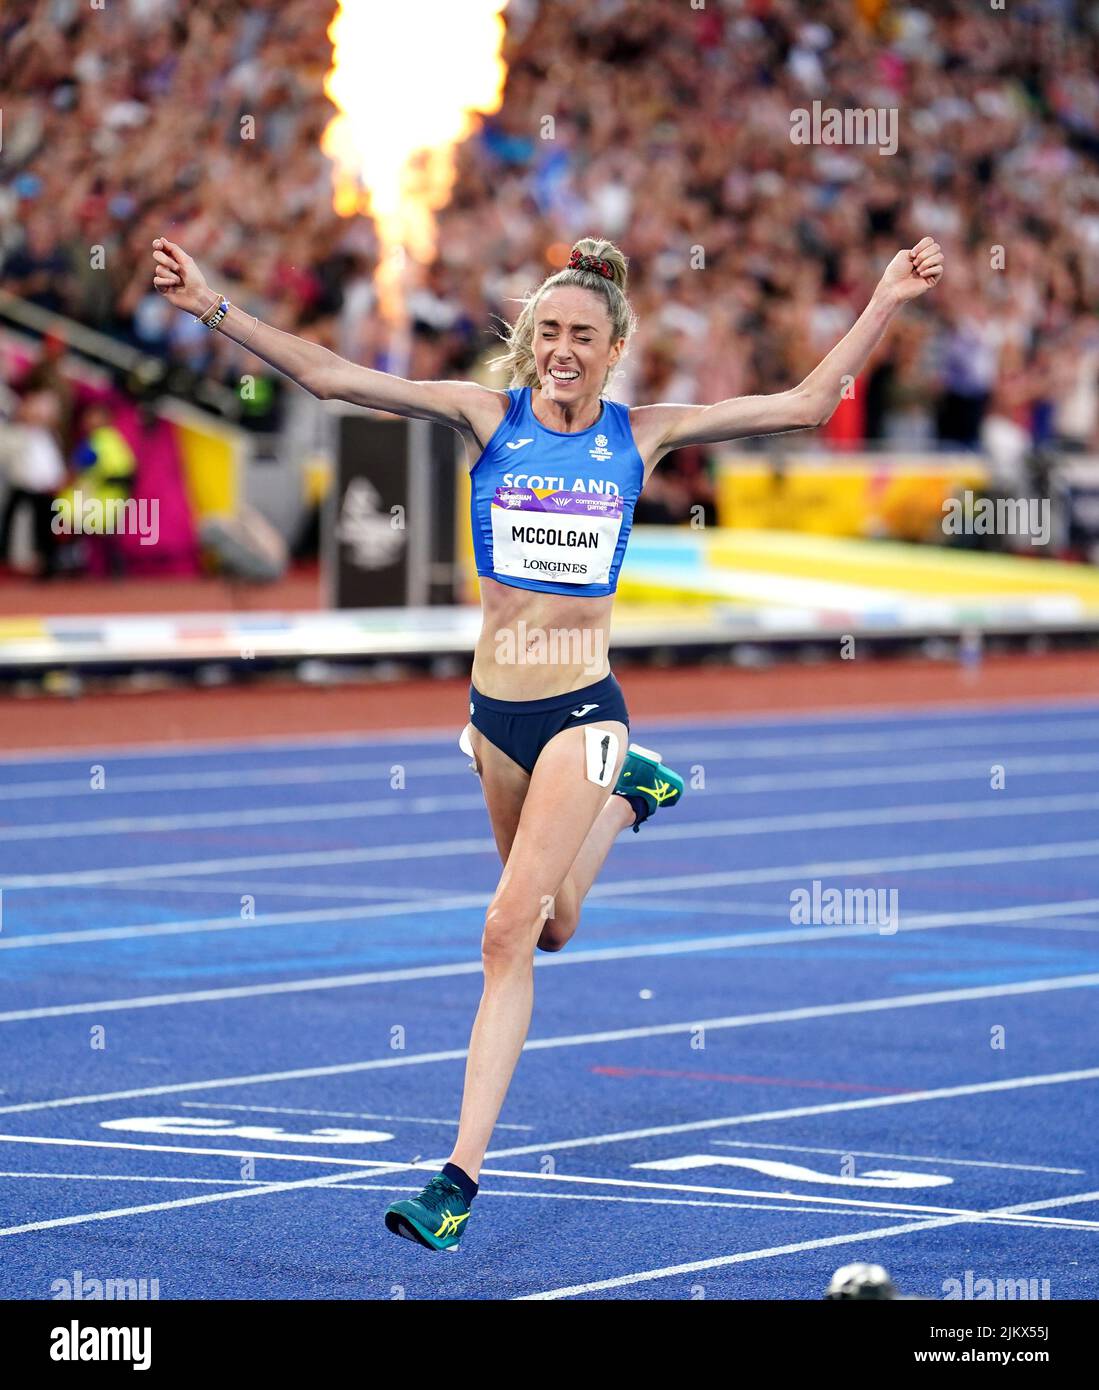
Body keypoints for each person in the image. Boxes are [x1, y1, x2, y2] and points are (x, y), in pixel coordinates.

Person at [150, 229, 943, 1249]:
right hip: (494, 722)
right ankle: (631, 798)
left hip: (581, 710)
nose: (565, 347)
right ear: (531, 340)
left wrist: (881, 297)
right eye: (550, 331)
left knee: (501, 934)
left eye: (584, 335)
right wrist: (209, 303)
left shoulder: (642, 434)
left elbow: (799, 406)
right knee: (555, 926)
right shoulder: (488, 418)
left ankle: (455, 1180)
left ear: (614, 349)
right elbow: (328, 374)